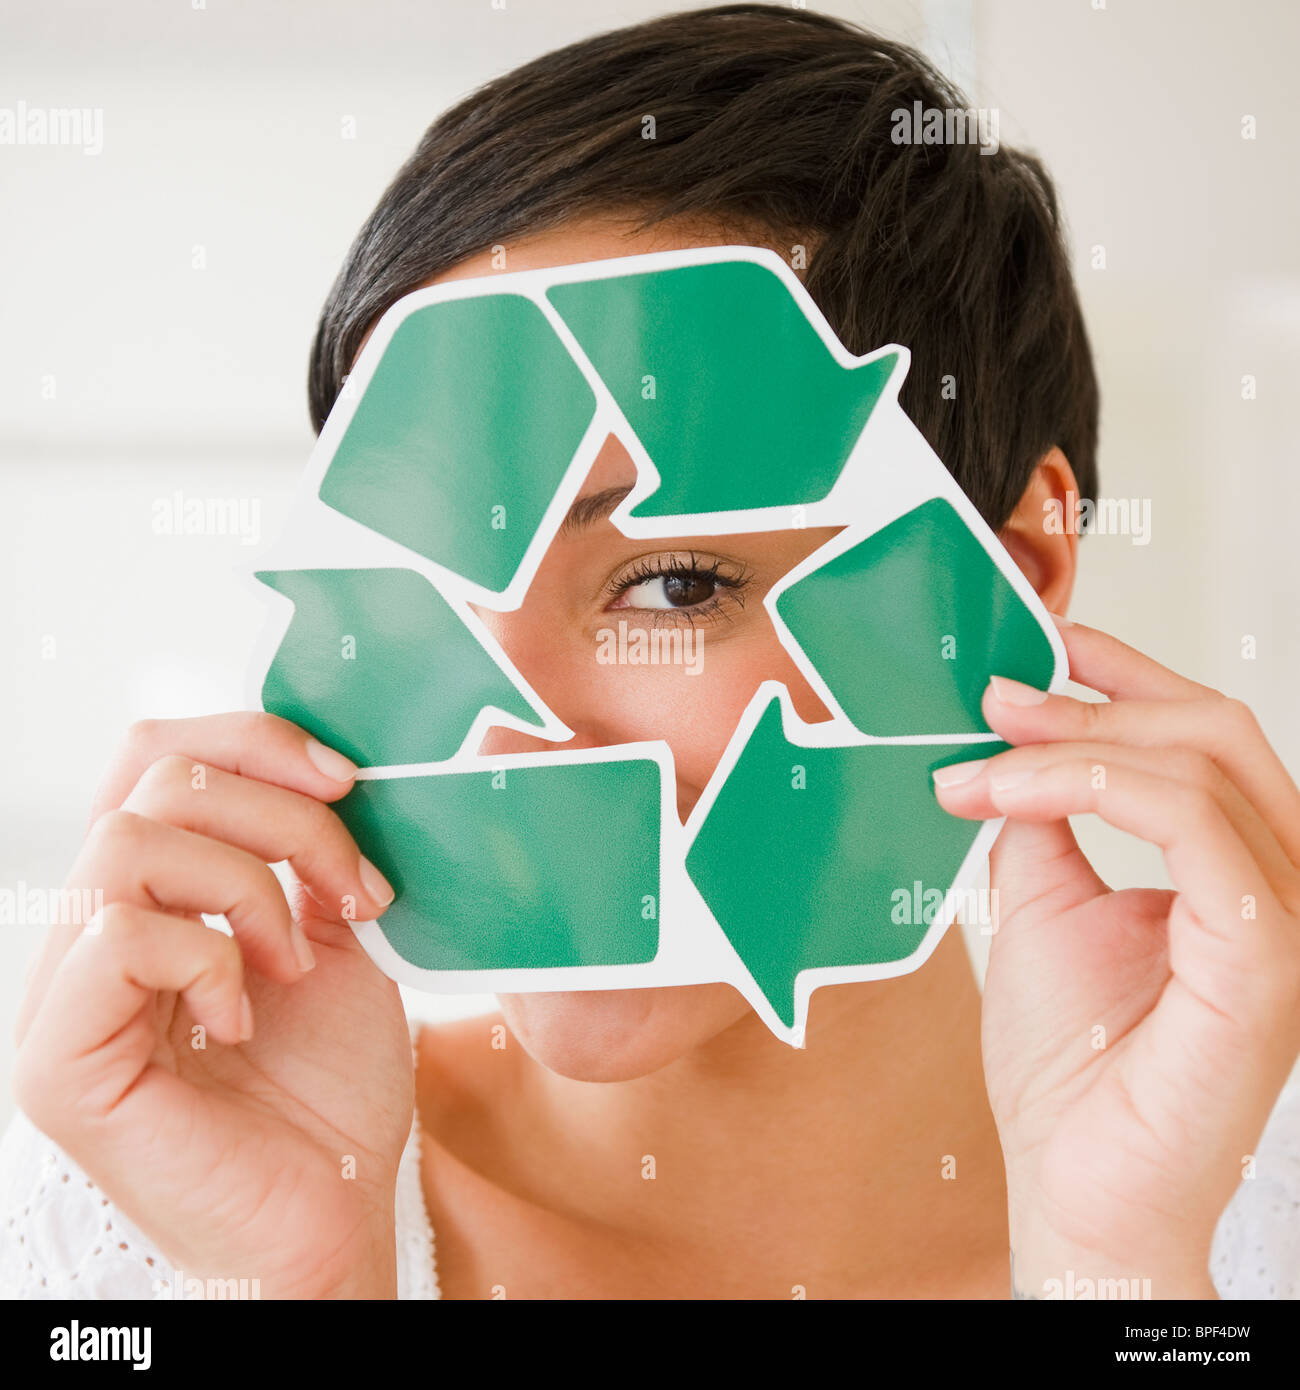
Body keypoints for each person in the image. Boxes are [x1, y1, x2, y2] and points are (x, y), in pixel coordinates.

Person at [4, 4, 1298, 1300]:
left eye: (671, 583)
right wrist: (298, 1283)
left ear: (1013, 573)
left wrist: (1123, 1270)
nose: (503, 729)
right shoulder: (142, 1210)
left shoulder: (1241, 1220)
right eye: (425, 597)